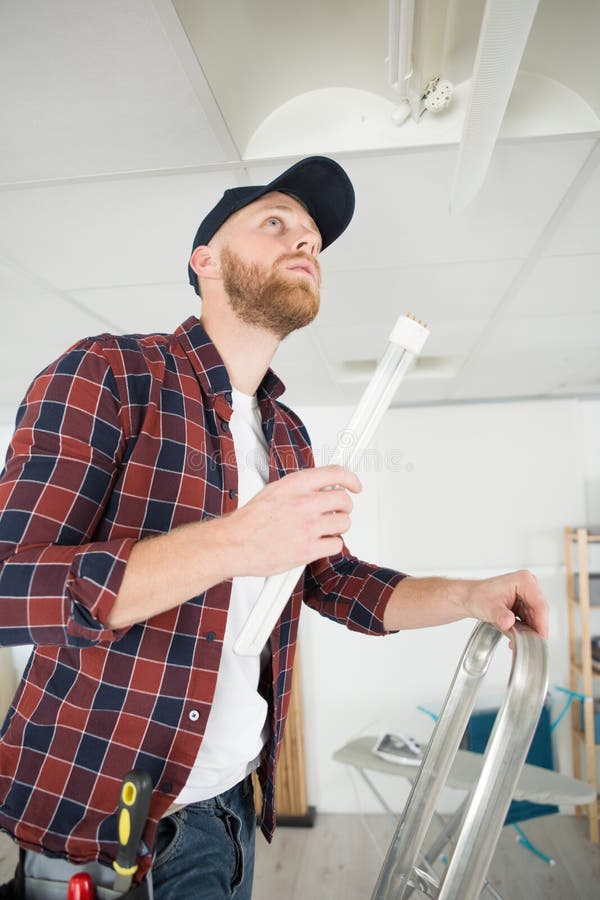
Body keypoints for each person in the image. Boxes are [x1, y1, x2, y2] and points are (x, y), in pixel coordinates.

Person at [0, 155, 548, 899]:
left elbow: (330, 580)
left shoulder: (286, 432)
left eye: (314, 240)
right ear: (206, 261)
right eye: (275, 222)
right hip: (108, 828)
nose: (305, 243)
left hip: (229, 813)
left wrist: (468, 596)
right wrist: (236, 541)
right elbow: (10, 587)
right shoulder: (110, 374)